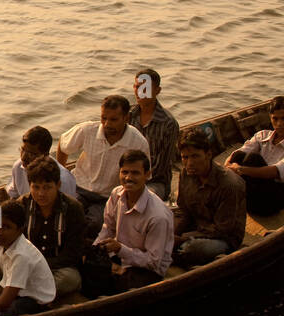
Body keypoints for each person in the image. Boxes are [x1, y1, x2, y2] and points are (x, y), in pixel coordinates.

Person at [56, 95, 151, 231]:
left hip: (107, 196)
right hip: (79, 188)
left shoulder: (138, 142)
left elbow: (142, 176)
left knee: (95, 225)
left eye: (113, 120)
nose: (107, 124)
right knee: (64, 216)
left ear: (126, 118)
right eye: (103, 118)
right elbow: (63, 145)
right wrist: (62, 175)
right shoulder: (87, 130)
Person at [93, 149, 174, 291]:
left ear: (147, 175)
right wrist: (95, 251)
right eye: (125, 172)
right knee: (86, 263)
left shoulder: (158, 216)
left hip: (147, 268)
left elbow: (153, 262)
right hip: (121, 257)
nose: (128, 178)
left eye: (135, 173)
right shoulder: (116, 194)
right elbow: (108, 229)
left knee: (127, 285)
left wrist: (120, 249)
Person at [226, 96, 284, 215]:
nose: (279, 124)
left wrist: (240, 169)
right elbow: (237, 154)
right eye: (275, 119)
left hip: (277, 198)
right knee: (239, 156)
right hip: (256, 189)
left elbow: (275, 172)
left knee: (252, 159)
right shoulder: (262, 136)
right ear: (270, 118)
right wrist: (229, 165)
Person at [173, 129, 246, 267]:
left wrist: (182, 239)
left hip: (223, 238)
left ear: (208, 154)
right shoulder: (186, 174)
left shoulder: (229, 184)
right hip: (197, 226)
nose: (189, 163)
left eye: (195, 156)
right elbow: (183, 211)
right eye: (185, 157)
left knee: (190, 248)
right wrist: (171, 235)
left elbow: (223, 229)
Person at [19, 158, 85, 296]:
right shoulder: (22, 205)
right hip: (26, 266)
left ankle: (19, 290)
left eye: (47, 187)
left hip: (58, 268)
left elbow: (73, 253)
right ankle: (33, 291)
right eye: (36, 187)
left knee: (71, 279)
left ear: (58, 185)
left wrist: (40, 266)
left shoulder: (73, 208)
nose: (41, 193)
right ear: (29, 185)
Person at [128, 68, 178, 200]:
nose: (140, 92)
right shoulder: (128, 116)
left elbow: (160, 167)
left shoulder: (168, 123)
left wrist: (136, 180)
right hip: (127, 176)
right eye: (137, 87)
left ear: (157, 90)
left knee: (142, 197)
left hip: (155, 182)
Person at [6, 125, 77, 200]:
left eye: (31, 154)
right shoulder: (18, 167)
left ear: (45, 155)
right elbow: (14, 196)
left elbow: (69, 208)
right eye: (23, 150)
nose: (23, 157)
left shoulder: (63, 179)